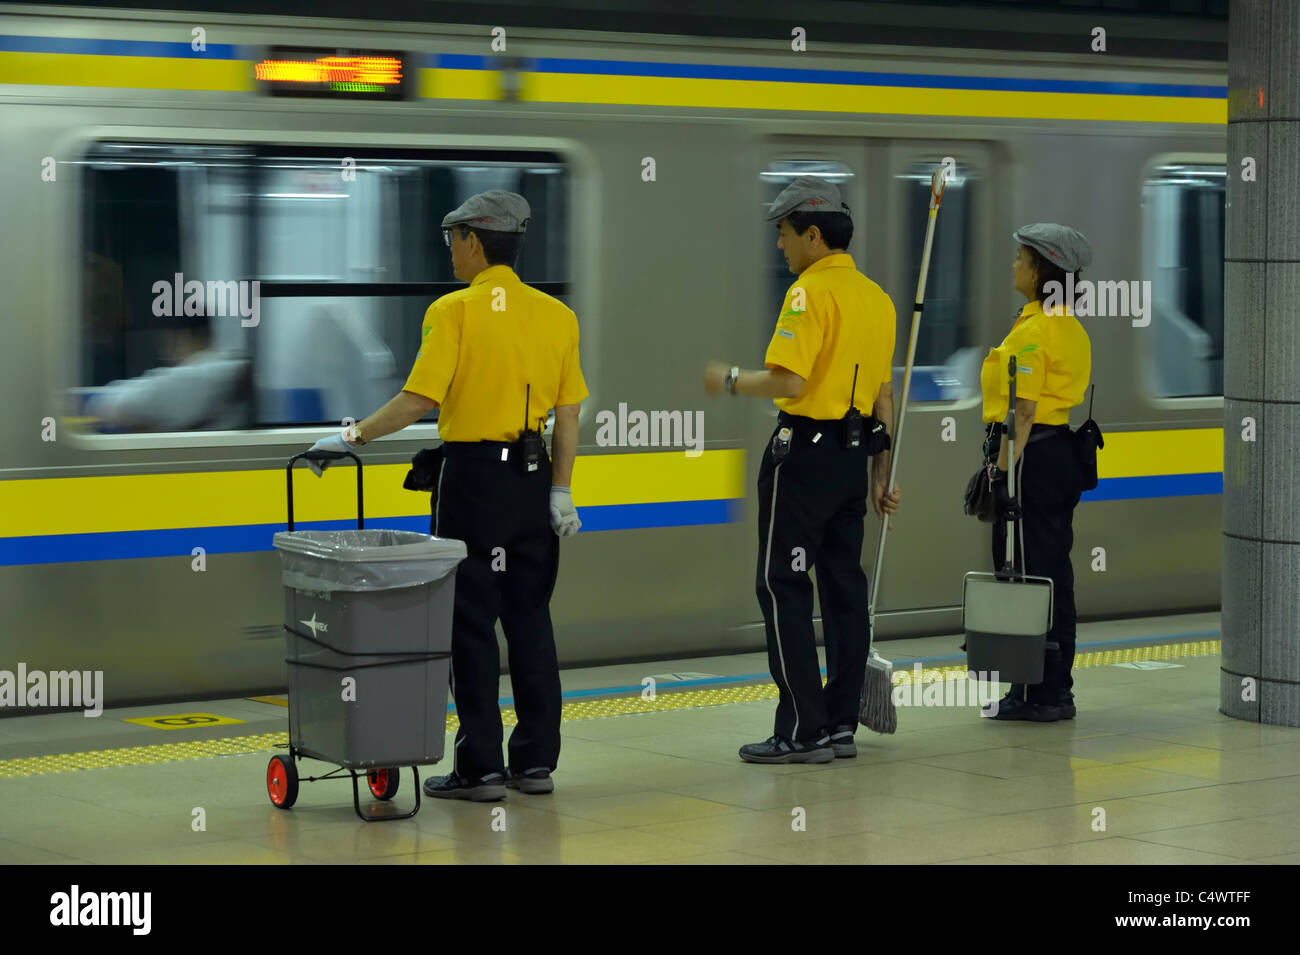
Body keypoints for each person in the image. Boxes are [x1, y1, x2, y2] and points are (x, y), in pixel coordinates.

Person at [305, 190, 587, 800]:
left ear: (474, 243)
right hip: (534, 479)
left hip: (474, 482)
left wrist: (348, 434)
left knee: (469, 625)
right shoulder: (558, 316)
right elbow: (569, 416)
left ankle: (478, 767)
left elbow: (418, 400)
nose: (450, 254)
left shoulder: (453, 310)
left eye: (452, 241)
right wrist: (561, 490)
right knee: (531, 620)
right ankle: (535, 762)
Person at [704, 176, 901, 764]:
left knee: (783, 586)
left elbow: (790, 382)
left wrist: (731, 380)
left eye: (784, 234)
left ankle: (800, 729)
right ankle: (840, 723)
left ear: (813, 235)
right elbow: (884, 397)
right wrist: (881, 473)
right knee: (844, 588)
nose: (781, 247)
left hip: (805, 455)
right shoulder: (878, 298)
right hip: (853, 454)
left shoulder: (807, 295)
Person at [979, 223, 1092, 722]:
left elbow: (1023, 411)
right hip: (1059, 454)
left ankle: (1038, 691)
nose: (1014, 265)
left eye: (1021, 258)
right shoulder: (1070, 326)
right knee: (1052, 571)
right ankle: (1050, 685)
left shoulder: (1033, 332)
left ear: (1041, 269)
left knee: (1026, 571)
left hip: (1032, 458)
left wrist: (999, 474)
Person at [86, 312, 250, 431]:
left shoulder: (200, 376)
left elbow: (112, 405)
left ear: (184, 336)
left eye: (167, 340)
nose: (164, 350)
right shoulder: (229, 367)